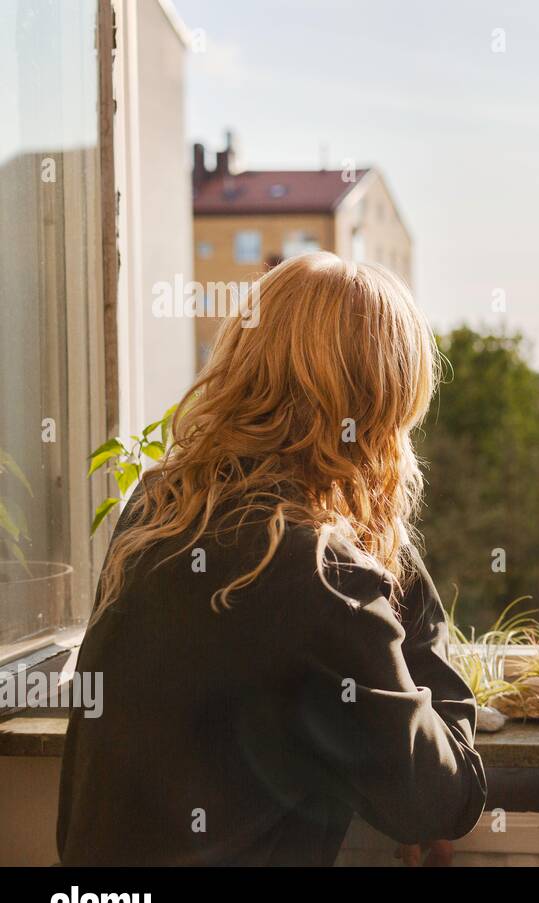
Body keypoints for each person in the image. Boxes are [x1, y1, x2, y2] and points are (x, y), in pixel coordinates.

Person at [58, 252, 486, 865]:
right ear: (380, 416)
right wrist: (387, 541)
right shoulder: (317, 574)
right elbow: (442, 801)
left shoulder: (157, 507)